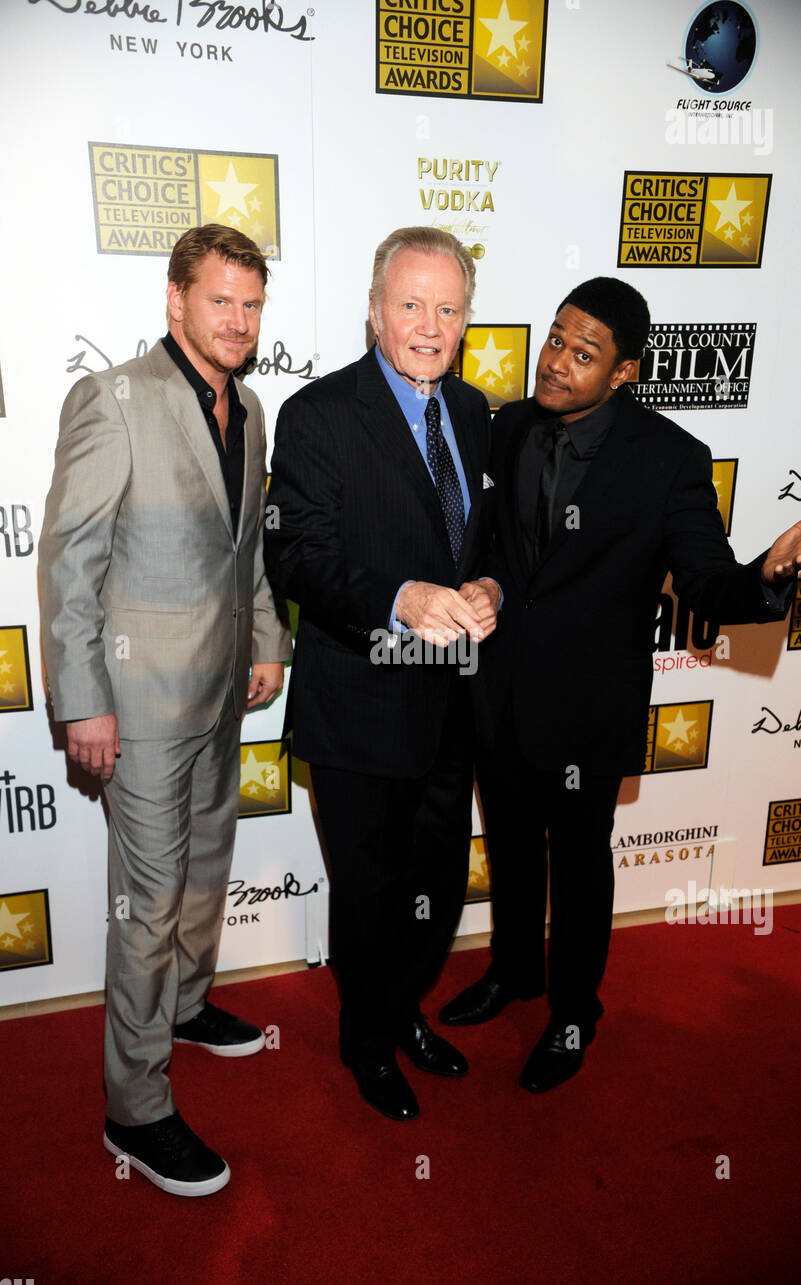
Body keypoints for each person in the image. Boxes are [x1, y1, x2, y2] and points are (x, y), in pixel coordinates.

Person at [438, 276, 801, 1093]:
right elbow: (486, 552)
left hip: (588, 707)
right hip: (496, 691)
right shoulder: (505, 426)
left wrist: (770, 570)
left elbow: (705, 582)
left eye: (582, 354)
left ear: (623, 372)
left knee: (580, 864)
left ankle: (570, 1014)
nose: (555, 362)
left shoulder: (669, 460)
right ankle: (514, 970)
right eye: (555, 338)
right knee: (514, 849)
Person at [38, 224, 291, 1195]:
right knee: (147, 905)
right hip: (135, 706)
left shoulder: (251, 406)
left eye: (251, 303)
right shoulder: (115, 400)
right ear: (175, 300)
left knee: (204, 867)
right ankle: (135, 1107)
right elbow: (71, 562)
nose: (237, 319)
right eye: (220, 298)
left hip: (221, 689)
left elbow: (247, 550)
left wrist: (266, 638)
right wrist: (82, 703)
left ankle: (186, 1005)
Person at [264, 226, 497, 1121]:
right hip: (360, 706)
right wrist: (401, 597)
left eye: (447, 308)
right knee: (368, 895)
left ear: (466, 318)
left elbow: (493, 544)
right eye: (410, 304)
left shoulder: (476, 411)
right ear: (373, 309)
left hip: (452, 705)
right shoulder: (319, 415)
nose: (428, 325)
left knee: (434, 887)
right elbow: (298, 561)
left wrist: (488, 588)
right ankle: (367, 1043)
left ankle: (403, 1013)